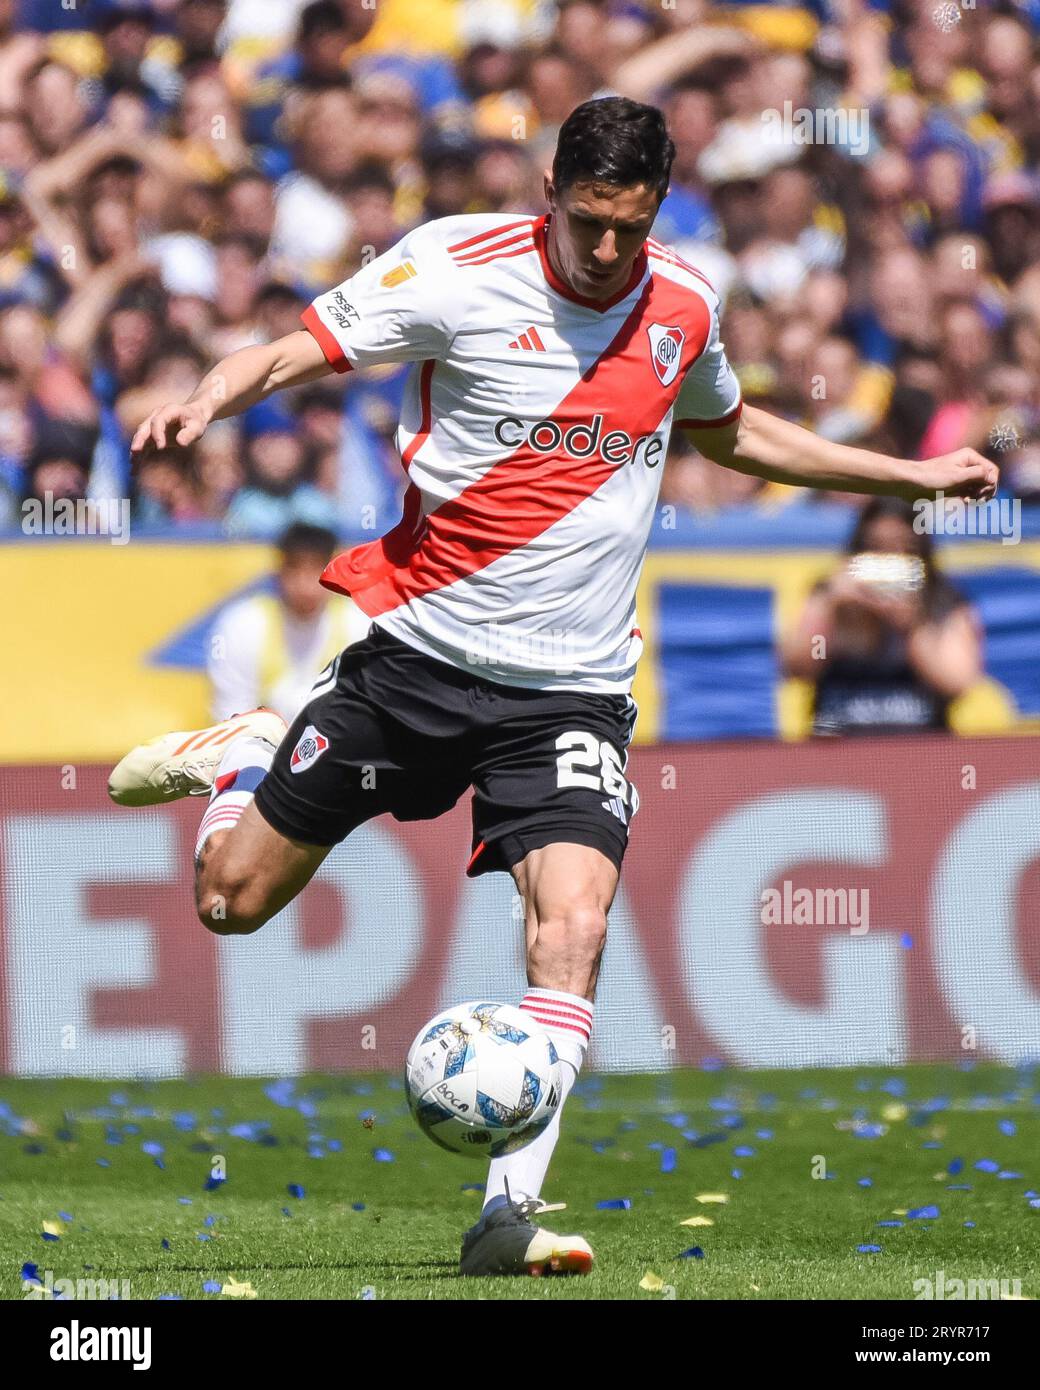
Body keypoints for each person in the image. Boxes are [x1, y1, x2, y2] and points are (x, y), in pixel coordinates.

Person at [108, 97, 997, 1278]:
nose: (608, 251)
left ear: (657, 210)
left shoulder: (680, 303)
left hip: (568, 692)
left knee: (569, 928)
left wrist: (905, 474)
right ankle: (241, 760)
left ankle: (505, 1214)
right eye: (588, 222)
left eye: (631, 226)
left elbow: (728, 434)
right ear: (549, 190)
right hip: (414, 657)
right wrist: (207, 397)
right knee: (230, 902)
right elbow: (289, 346)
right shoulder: (450, 266)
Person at [780, 497, 984, 736]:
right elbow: (796, 669)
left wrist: (911, 627)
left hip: (920, 747)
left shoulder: (943, 599)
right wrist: (827, 605)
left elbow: (958, 683)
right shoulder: (829, 596)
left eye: (904, 548)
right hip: (838, 746)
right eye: (877, 547)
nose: (889, 557)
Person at [208, 521, 370, 723]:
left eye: (317, 568)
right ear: (279, 570)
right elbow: (231, 717)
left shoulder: (359, 625)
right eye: (295, 567)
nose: (305, 584)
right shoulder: (243, 624)